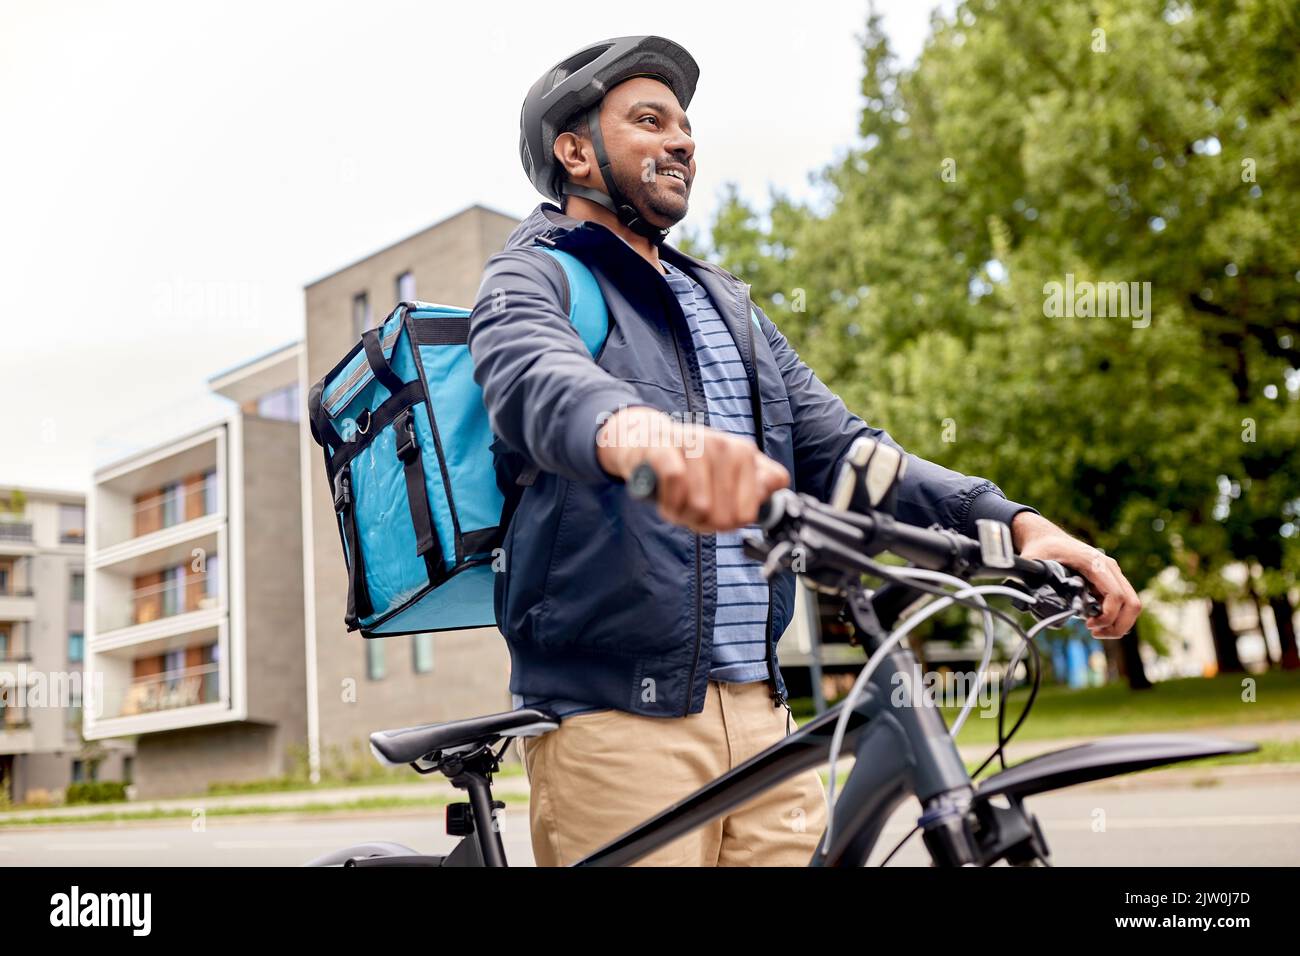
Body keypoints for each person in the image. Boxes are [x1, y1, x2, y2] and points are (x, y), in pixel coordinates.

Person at [468, 35, 1142, 866]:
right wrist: (646, 439)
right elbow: (535, 380)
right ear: (574, 151)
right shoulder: (533, 276)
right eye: (650, 120)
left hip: (765, 717)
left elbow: (853, 455)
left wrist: (1015, 524)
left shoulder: (729, 308)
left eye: (686, 125)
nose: (682, 140)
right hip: (615, 724)